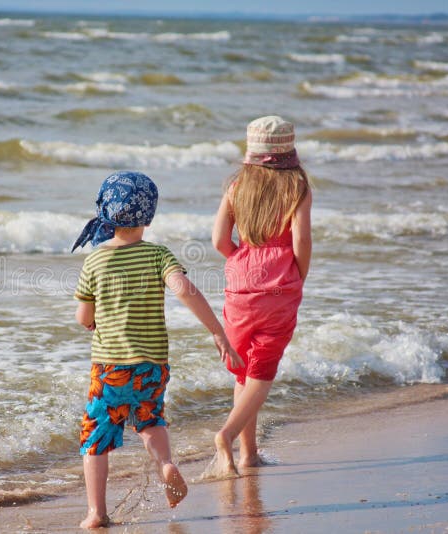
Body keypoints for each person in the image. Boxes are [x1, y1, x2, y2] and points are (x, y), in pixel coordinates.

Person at [72, 171, 243, 529]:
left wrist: (91, 321)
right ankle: (165, 464)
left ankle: (96, 513)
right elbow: (184, 289)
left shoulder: (95, 261)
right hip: (152, 365)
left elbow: (83, 316)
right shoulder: (158, 255)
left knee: (96, 438)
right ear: (148, 218)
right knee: (150, 421)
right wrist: (218, 332)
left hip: (109, 367)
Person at [205, 116, 312, 479]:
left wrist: (242, 260)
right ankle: (227, 435)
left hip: (239, 287)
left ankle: (248, 454)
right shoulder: (297, 186)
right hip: (280, 287)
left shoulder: (237, 186)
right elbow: (301, 241)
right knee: (262, 373)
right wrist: (297, 273)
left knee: (244, 372)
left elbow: (219, 240)